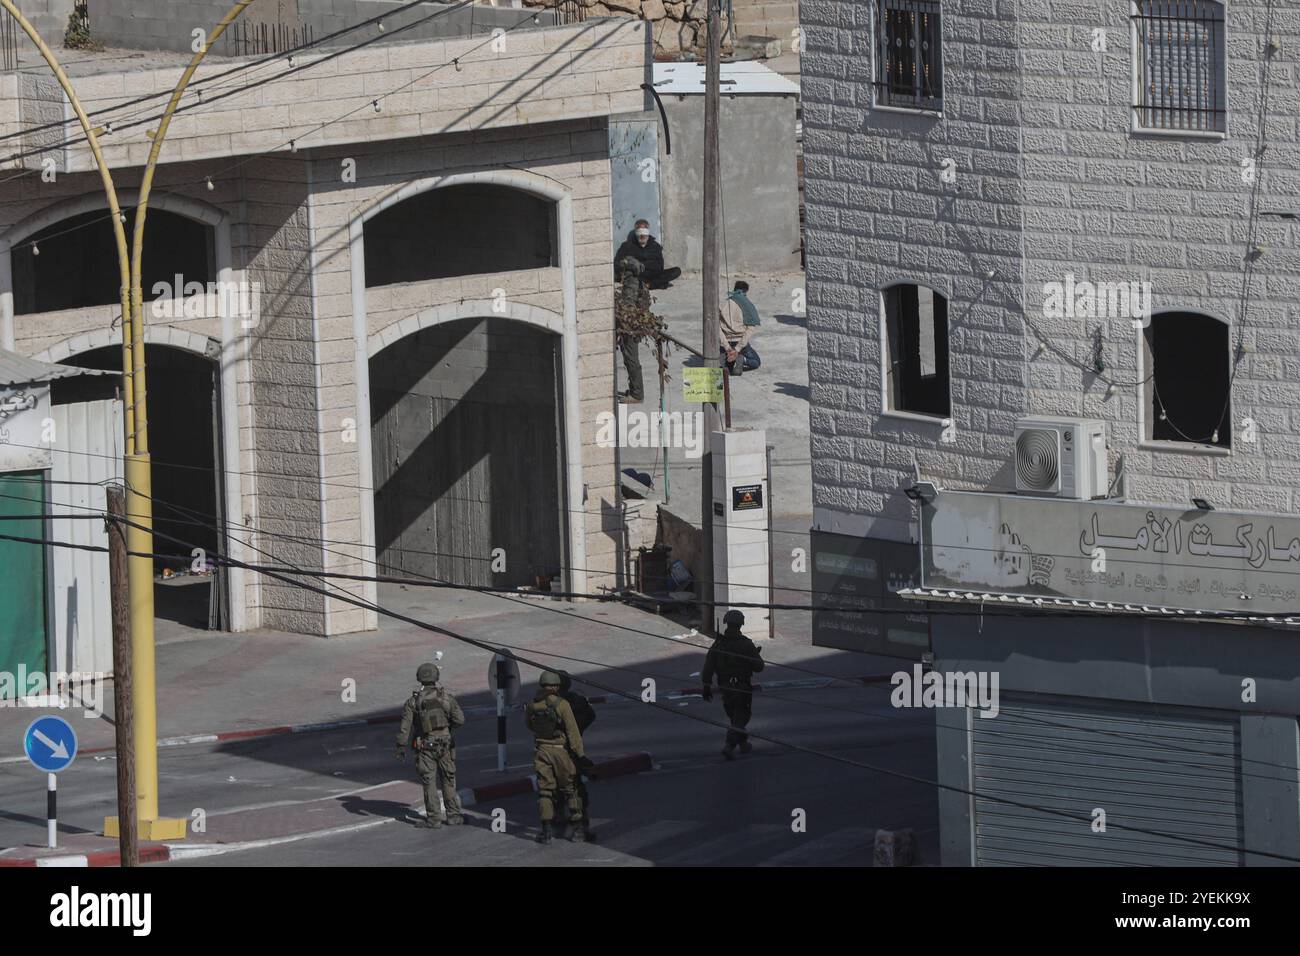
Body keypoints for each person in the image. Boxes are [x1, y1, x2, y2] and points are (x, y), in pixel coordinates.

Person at [525, 671, 594, 844]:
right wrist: (580, 755)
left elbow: (530, 725)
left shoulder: (533, 704)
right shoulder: (566, 703)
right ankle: (579, 831)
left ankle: (546, 831)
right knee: (573, 790)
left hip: (542, 750)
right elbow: (574, 730)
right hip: (563, 751)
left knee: (545, 791)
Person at [395, 662, 467, 828]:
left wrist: (400, 747)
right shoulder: (446, 698)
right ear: (436, 677)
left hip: (425, 747)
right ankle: (454, 816)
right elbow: (460, 720)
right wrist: (448, 729)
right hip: (446, 746)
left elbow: (404, 729)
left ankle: (434, 819)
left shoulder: (413, 702)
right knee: (449, 780)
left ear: (420, 679)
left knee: (429, 783)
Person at [701, 609, 765, 760]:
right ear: (741, 624)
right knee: (742, 716)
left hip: (726, 688)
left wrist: (706, 686)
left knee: (735, 717)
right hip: (742, 687)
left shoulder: (718, 644)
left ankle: (743, 744)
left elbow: (708, 666)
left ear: (726, 623)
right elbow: (759, 667)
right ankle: (729, 745)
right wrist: (754, 655)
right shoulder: (746, 644)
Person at [558, 671, 597, 838]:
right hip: (571, 752)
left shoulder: (543, 702)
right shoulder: (576, 701)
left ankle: (556, 823)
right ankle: (581, 829)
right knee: (576, 792)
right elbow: (590, 715)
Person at [615, 256, 648, 404]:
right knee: (631, 360)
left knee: (631, 360)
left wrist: (621, 327)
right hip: (636, 328)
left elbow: (627, 310)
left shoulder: (631, 284)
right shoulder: (638, 281)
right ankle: (635, 389)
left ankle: (636, 394)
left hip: (629, 330)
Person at [614, 219, 681, 290]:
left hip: (653, 275)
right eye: (640, 232)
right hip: (637, 275)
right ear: (636, 232)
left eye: (644, 232)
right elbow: (617, 263)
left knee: (676, 271)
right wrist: (632, 264)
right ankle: (651, 284)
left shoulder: (655, 246)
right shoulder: (627, 246)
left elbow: (660, 266)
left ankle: (648, 285)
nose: (642, 236)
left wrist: (646, 265)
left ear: (648, 232)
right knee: (630, 278)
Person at [718, 280, 762, 377]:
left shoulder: (723, 304)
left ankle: (726, 360)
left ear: (734, 290)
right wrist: (737, 350)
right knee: (756, 362)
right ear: (745, 292)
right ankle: (741, 359)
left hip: (725, 342)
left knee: (723, 361)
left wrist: (727, 347)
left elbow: (716, 327)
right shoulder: (747, 306)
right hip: (740, 343)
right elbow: (749, 330)